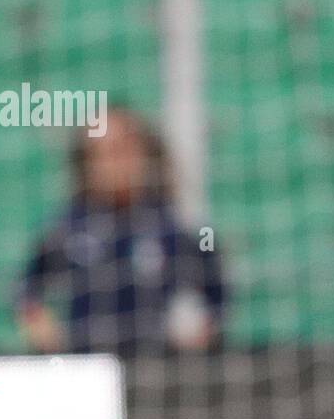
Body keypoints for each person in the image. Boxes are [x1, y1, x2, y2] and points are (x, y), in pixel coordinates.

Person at [17, 106, 227, 356]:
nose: (114, 163)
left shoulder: (169, 227)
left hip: (155, 373)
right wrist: (44, 330)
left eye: (122, 150)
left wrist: (200, 334)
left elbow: (217, 290)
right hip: (89, 371)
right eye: (100, 153)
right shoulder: (67, 229)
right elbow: (26, 290)